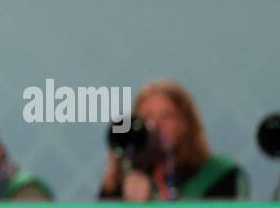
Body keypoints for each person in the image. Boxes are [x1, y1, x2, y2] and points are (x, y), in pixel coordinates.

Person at [100, 79, 247, 200]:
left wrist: (149, 207)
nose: (155, 126)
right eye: (147, 117)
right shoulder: (131, 176)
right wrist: (111, 182)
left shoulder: (219, 173)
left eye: (167, 117)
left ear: (186, 123)